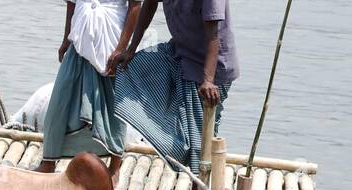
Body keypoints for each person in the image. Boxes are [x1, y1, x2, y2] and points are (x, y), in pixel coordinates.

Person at [110, 0, 239, 173]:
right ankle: (175, 148)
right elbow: (149, 5)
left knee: (201, 136)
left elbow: (213, 32)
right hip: (180, 53)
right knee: (133, 68)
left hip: (211, 66)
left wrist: (208, 80)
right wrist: (130, 49)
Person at [38, 1, 140, 175]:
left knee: (111, 102)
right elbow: (72, 4)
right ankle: (48, 161)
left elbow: (135, 6)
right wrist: (66, 39)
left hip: (110, 39)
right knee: (60, 101)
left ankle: (115, 167)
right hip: (80, 37)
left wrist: (122, 48)